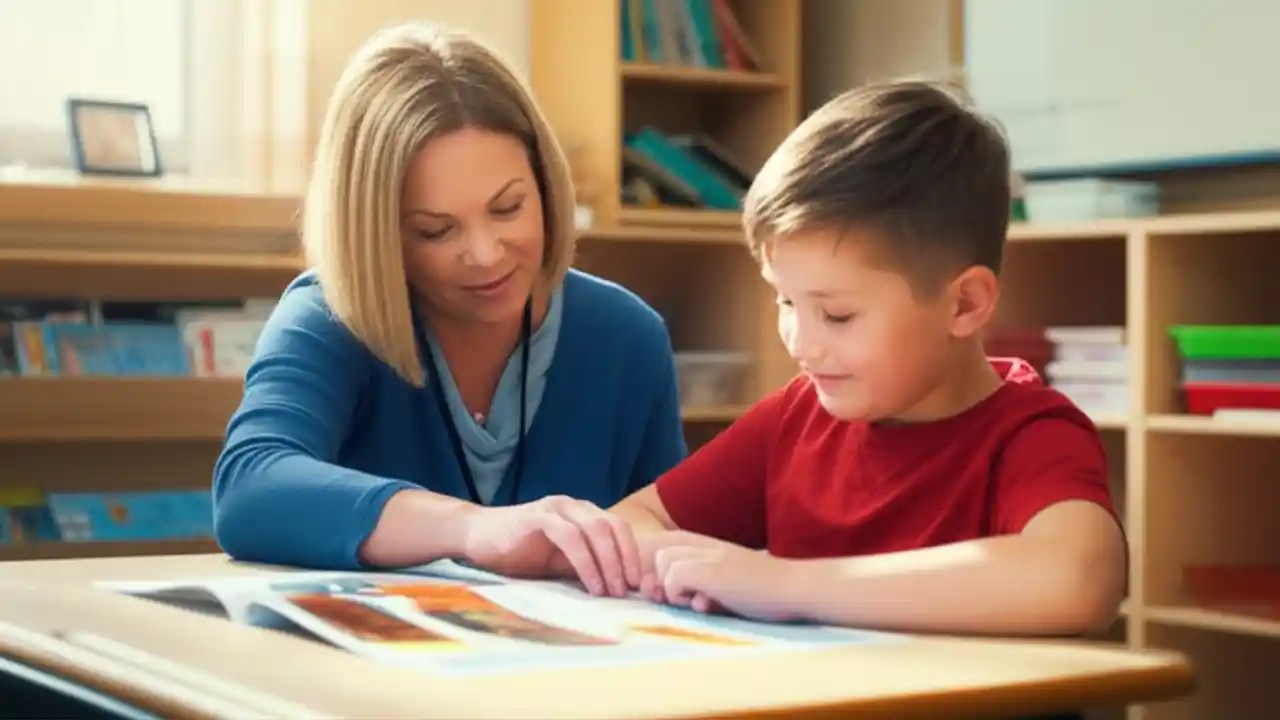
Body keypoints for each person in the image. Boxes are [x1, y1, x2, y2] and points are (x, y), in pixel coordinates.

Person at [613, 80, 1128, 636]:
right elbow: (634, 520)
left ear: (964, 304)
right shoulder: (795, 418)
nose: (801, 343)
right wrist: (676, 565)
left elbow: (1079, 578)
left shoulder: (1029, 437)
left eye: (836, 315)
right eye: (786, 301)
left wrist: (787, 585)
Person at [212, 22, 684, 594]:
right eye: (436, 230)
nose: (486, 255)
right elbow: (250, 489)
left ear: (545, 185)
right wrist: (474, 530)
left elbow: (673, 536)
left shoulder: (627, 336)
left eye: (507, 208)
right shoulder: (329, 318)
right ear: (377, 234)